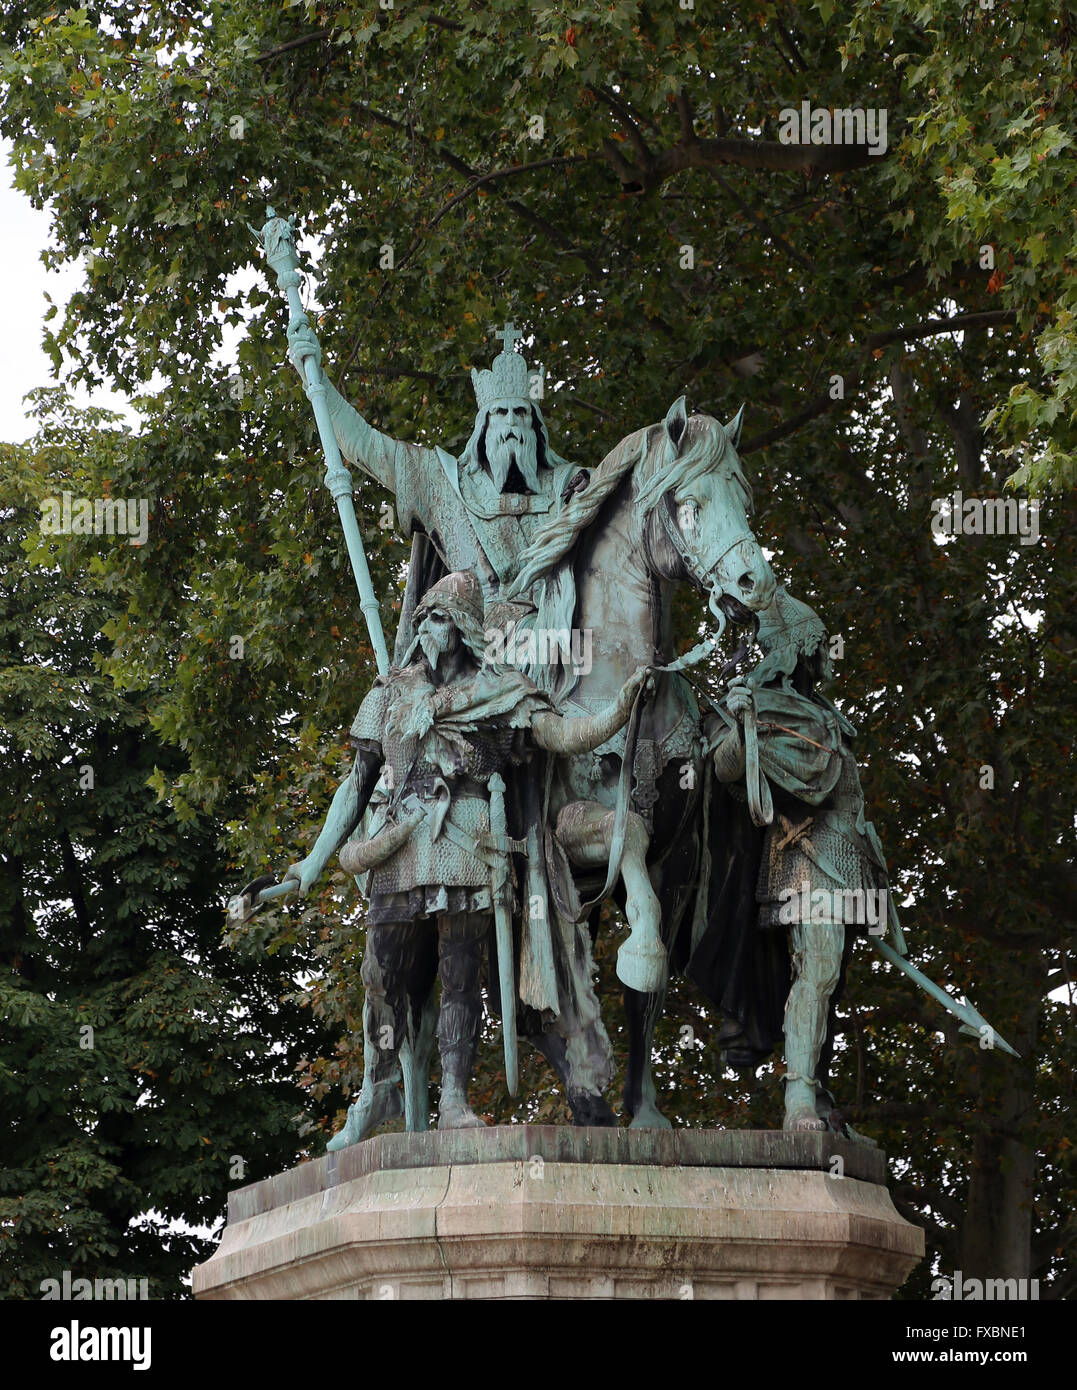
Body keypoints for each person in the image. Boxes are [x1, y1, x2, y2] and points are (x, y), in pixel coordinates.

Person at [282, 571, 648, 1147]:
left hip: (470, 843)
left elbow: (560, 735)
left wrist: (618, 711)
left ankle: (454, 1098)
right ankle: (378, 1086)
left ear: (466, 629)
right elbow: (357, 783)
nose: (430, 626)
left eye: (443, 617)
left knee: (460, 979)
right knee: (382, 976)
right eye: (425, 615)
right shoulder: (390, 691)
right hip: (398, 846)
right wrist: (313, 859)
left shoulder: (498, 690)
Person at [707, 586, 900, 1133]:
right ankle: (797, 1100)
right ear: (793, 651)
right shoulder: (756, 702)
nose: (821, 659)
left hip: (850, 860)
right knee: (815, 968)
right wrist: (739, 725)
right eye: (813, 647)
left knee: (829, 977)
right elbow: (724, 768)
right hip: (804, 855)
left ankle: (812, 1090)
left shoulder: (825, 714)